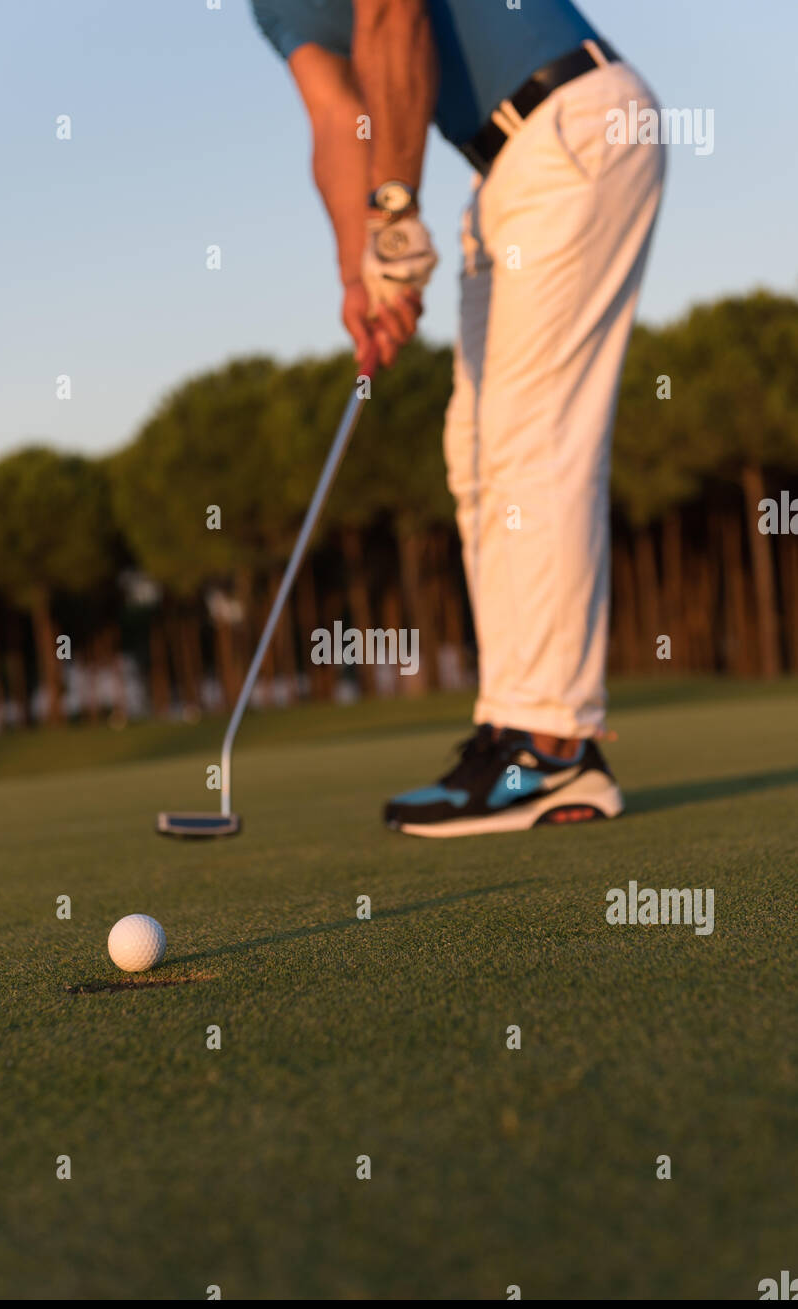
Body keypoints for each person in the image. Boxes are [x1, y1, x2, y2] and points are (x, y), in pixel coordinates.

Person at [250, 0, 665, 837]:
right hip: (503, 167)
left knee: (529, 439)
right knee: (475, 454)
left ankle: (553, 750)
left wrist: (394, 218)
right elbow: (339, 116)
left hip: (569, 119)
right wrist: (359, 274)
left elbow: (392, 16)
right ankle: (515, 731)